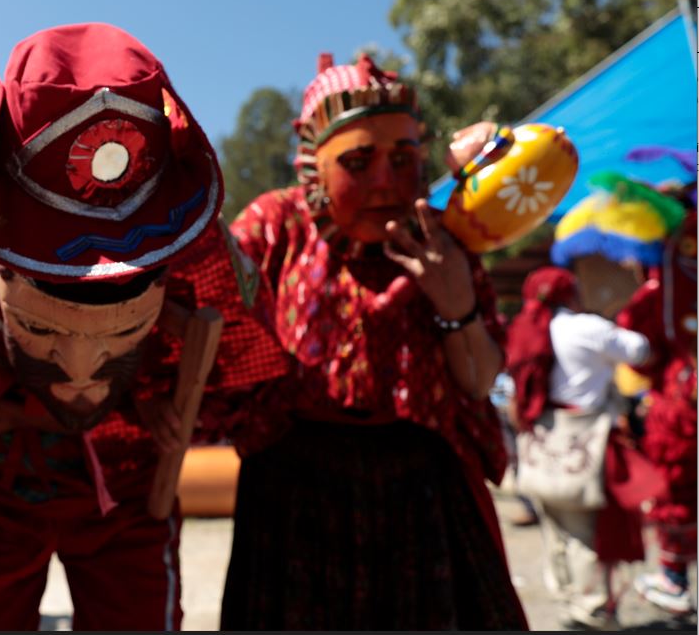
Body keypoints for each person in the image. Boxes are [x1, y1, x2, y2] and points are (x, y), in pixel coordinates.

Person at [0, 22, 288, 630]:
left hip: (128, 496)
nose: (80, 369)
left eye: (120, 331)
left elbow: (254, 379)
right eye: (47, 328)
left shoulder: (200, 246)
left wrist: (163, 402)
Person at [219, 52, 528, 630]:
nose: (386, 182)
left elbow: (480, 381)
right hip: (294, 496)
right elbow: (211, 319)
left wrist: (456, 304)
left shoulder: (441, 237)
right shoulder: (274, 227)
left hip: (425, 493)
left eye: (403, 158)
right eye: (358, 161)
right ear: (315, 165)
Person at [507, 266, 653, 629]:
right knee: (585, 532)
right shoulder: (587, 327)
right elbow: (640, 349)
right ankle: (591, 607)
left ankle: (566, 599)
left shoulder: (525, 329)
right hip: (582, 441)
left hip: (539, 444)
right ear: (570, 293)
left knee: (554, 529)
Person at [619, 209, 697, 617]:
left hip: (680, 401)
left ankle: (675, 579)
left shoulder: (658, 290)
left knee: (678, 491)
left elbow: (640, 351)